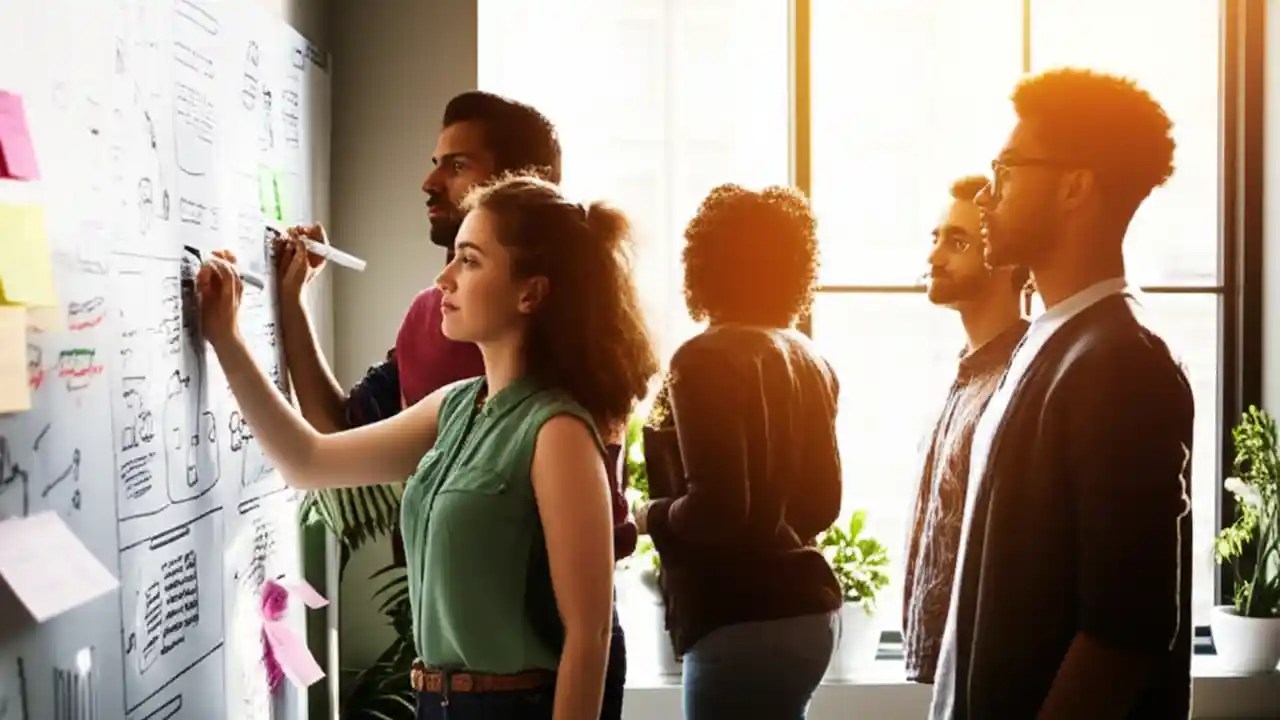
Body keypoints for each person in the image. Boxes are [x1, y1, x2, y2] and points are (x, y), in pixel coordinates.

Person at [197, 174, 659, 720]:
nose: (444, 279)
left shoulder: (556, 431)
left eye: (469, 260)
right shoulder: (455, 406)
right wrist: (227, 337)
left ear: (530, 292)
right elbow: (308, 461)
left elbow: (590, 634)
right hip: (435, 704)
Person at [274, 91, 636, 716]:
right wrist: (290, 308)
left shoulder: (565, 383)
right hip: (446, 666)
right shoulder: (431, 321)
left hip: (536, 662)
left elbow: (585, 619)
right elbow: (334, 434)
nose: (431, 181)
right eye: (436, 161)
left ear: (529, 183)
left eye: (457, 165)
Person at [931, 69, 1195, 719]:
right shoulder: (1046, 346)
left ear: (1075, 186)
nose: (989, 195)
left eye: (1010, 169)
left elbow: (1123, 630)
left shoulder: (1121, 365)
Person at [635, 184, 843, 720]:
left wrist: (648, 514)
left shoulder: (703, 358)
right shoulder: (811, 360)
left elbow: (718, 509)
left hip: (738, 620)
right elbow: (823, 506)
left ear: (704, 261)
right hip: (808, 619)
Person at [901, 175, 1029, 684]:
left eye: (957, 242)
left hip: (994, 671)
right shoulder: (963, 377)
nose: (935, 256)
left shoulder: (1019, 381)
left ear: (1009, 257)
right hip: (954, 672)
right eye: (935, 238)